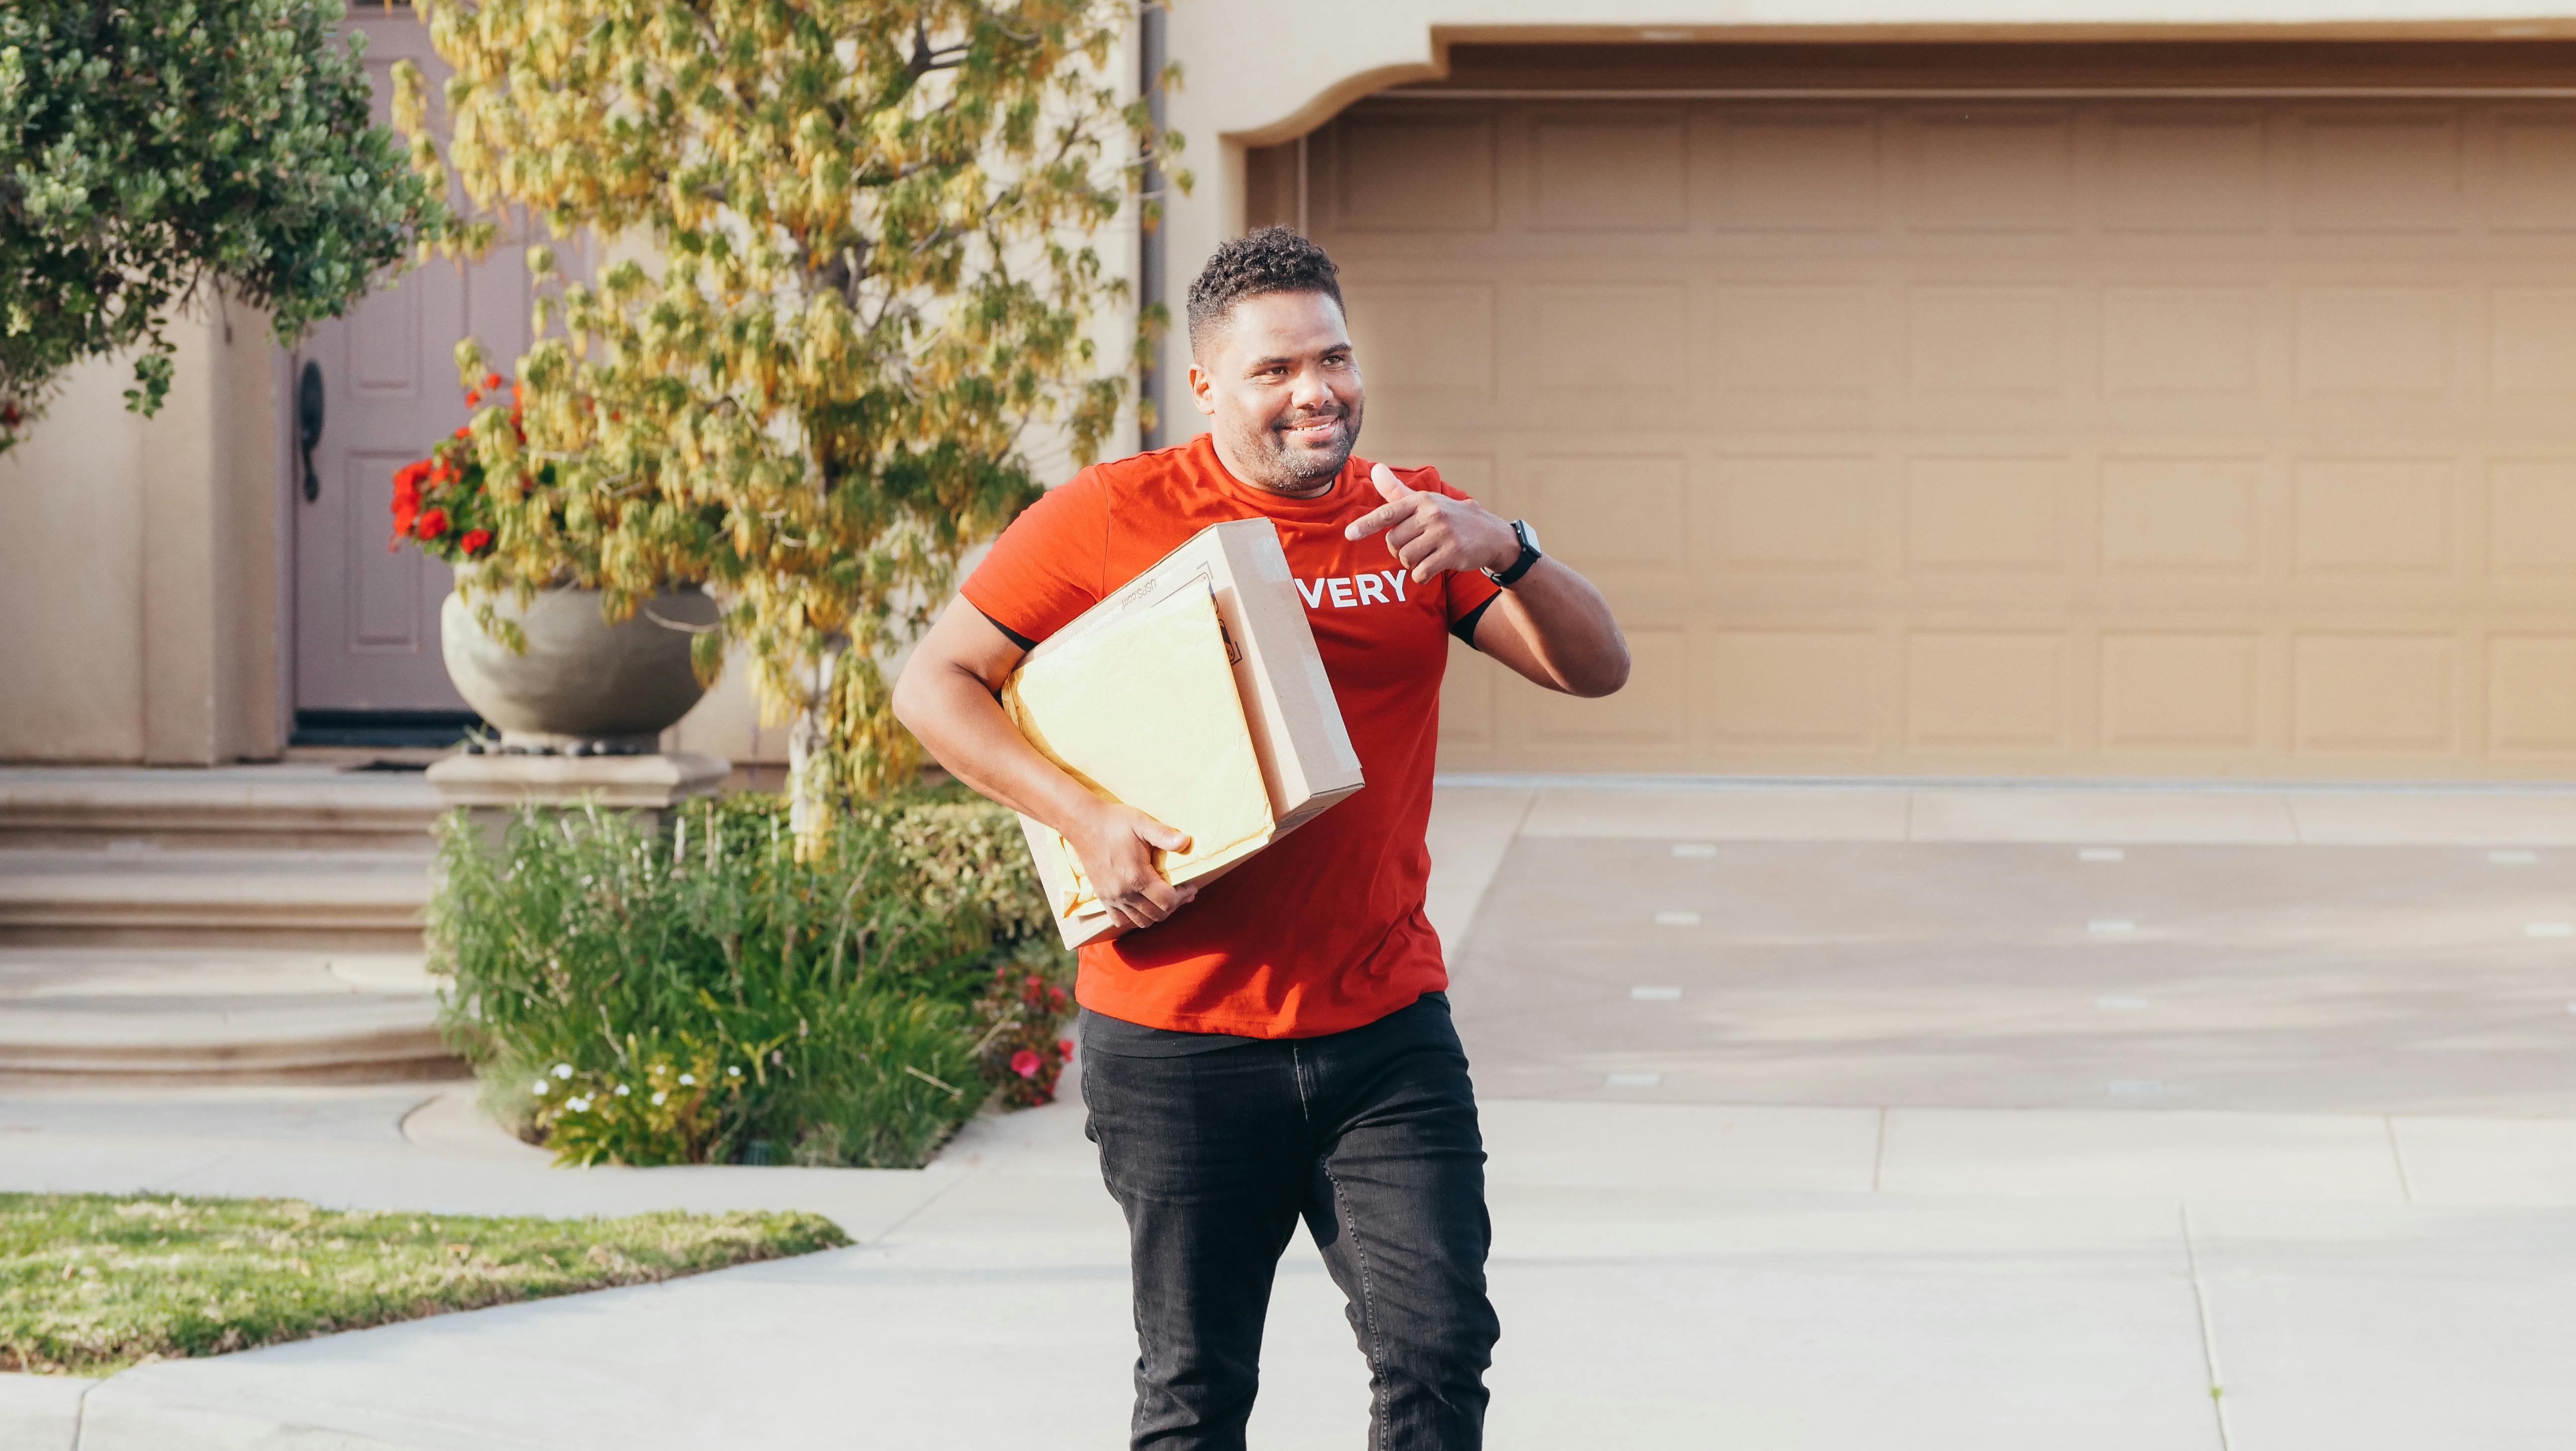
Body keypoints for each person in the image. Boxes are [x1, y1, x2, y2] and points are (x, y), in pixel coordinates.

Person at [890, 227, 1629, 1451]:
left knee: (1439, 1352)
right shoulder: (1111, 514)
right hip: (1178, 1033)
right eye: (1276, 369)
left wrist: (1508, 546)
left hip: (1384, 1027)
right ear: (1205, 386)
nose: (1316, 391)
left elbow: (1595, 668)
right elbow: (935, 685)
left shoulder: (1412, 514)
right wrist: (1085, 816)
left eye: (1333, 359)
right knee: (1196, 1388)